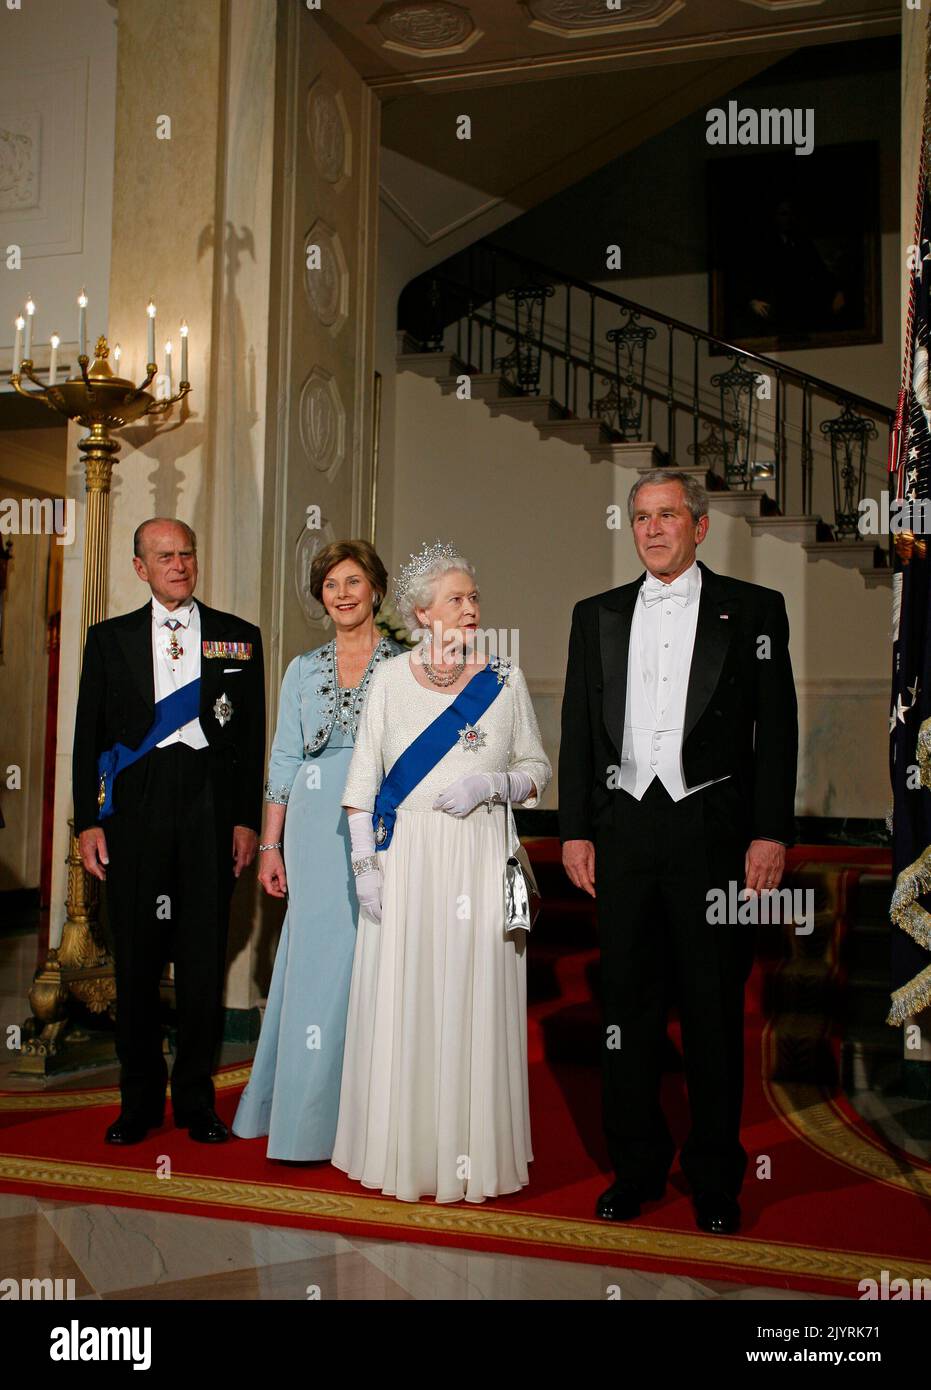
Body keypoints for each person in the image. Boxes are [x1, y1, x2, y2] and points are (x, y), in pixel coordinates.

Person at [559, 470, 797, 1234]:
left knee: (710, 1013)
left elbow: (777, 732)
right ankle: (633, 1171)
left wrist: (769, 832)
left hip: (713, 834)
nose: (653, 529)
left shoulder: (755, 610)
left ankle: (715, 1179)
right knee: (624, 1012)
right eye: (640, 518)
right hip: (624, 831)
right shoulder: (593, 614)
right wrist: (574, 829)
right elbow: (576, 731)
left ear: (699, 526)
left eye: (667, 516)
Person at [332, 541, 551, 1203]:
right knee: (410, 998)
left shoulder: (504, 681)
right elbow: (360, 787)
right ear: (422, 612)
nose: (471, 608)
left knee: (471, 994)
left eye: (474, 597)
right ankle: (407, 1154)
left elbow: (539, 773)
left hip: (480, 858)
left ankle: (471, 1156)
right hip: (409, 862)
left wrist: (493, 782)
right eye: (456, 598)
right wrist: (364, 867)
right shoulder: (391, 681)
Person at [73, 518, 265, 1145]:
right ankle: (138, 1104)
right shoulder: (108, 642)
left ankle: (196, 1103)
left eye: (187, 553)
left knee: (204, 963)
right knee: (137, 961)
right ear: (140, 568)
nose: (178, 565)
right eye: (164, 556)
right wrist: (88, 824)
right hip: (135, 810)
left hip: (209, 807)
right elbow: (89, 741)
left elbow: (248, 744)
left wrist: (245, 821)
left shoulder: (239, 638)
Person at [232, 540, 404, 1159]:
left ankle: (366, 1122)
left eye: (353, 581)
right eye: (331, 584)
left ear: (376, 590)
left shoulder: (405, 665)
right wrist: (271, 844)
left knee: (371, 960)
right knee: (310, 961)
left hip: (380, 824)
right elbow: (282, 759)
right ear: (320, 597)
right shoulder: (301, 669)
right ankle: (303, 1119)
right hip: (308, 824)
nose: (342, 593)